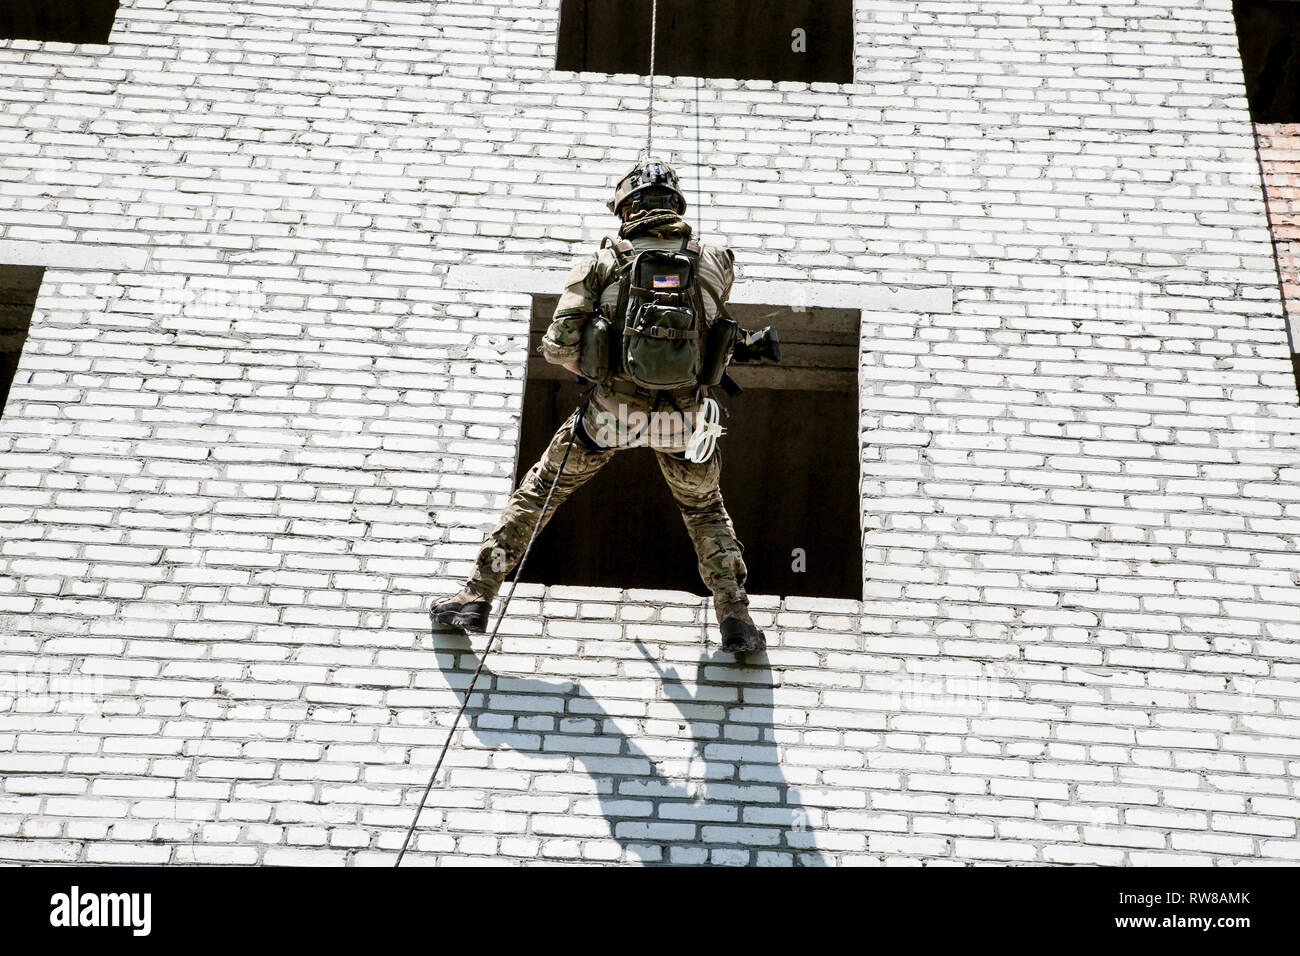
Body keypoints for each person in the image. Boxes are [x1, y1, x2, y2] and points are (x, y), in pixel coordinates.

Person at [431, 158, 765, 654]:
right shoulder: (716, 258)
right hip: (687, 423)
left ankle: (477, 596)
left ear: (626, 207)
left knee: (538, 496)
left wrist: (604, 372)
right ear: (676, 204)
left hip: (607, 416)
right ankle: (735, 617)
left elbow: (558, 347)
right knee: (705, 512)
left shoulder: (601, 261)